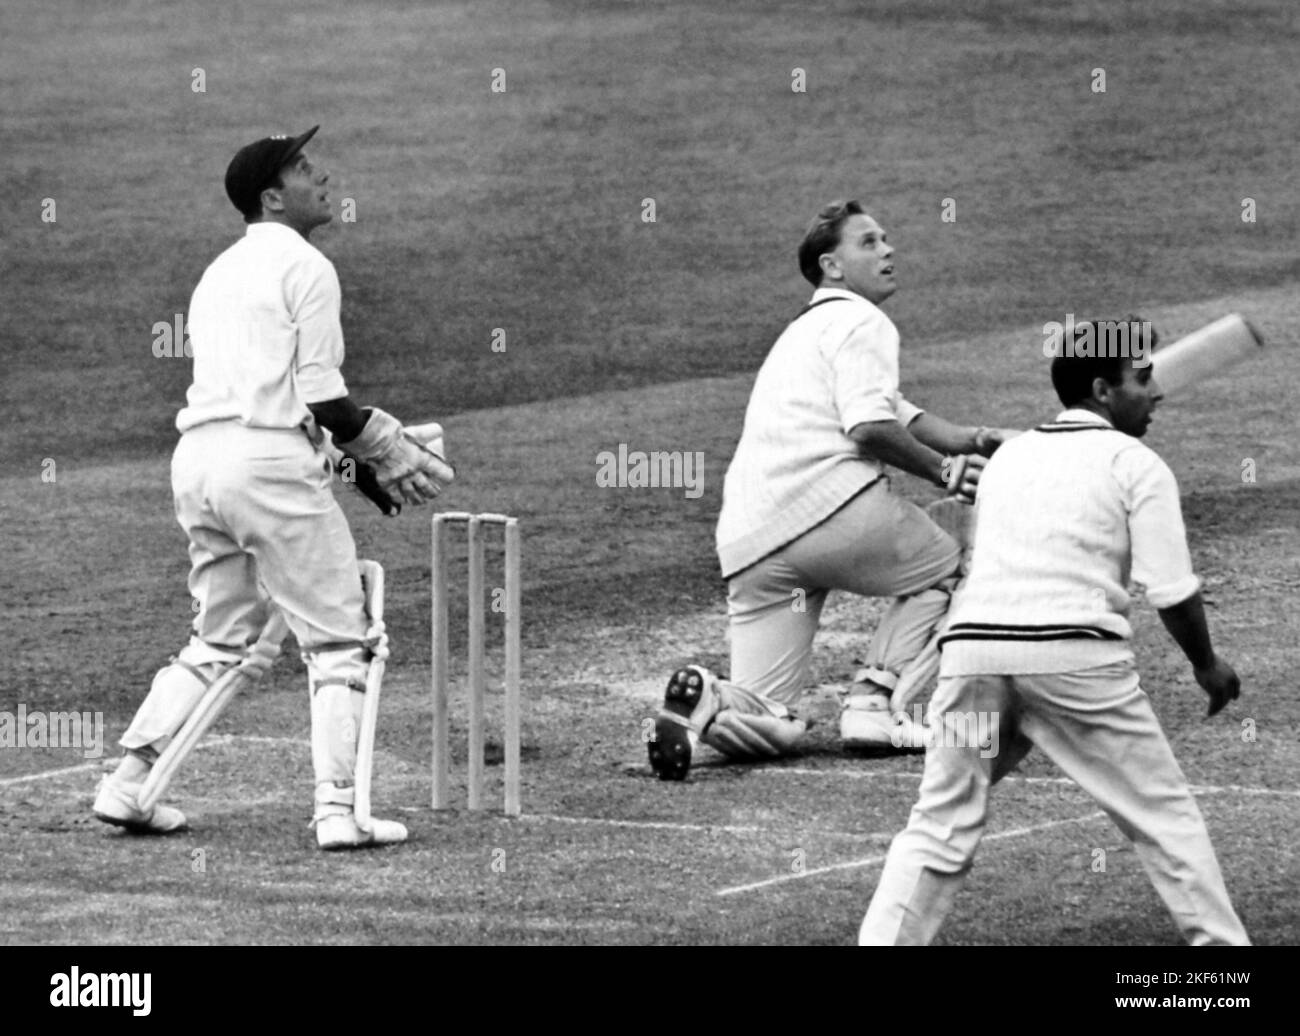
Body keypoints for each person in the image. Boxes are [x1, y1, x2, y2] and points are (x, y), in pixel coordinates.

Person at [92, 126, 451, 850]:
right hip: (265, 467)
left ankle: (129, 784)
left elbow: (283, 411)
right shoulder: (308, 267)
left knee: (220, 639)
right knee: (343, 636)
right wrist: (382, 447)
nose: (321, 175)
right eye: (302, 168)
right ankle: (338, 814)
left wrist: (356, 469)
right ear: (271, 196)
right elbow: (320, 401)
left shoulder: (217, 272)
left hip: (199, 464)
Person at [857, 322, 1250, 945]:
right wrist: (1207, 665)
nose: (1158, 392)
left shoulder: (1011, 456)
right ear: (1101, 389)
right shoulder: (1135, 463)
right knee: (1165, 820)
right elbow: (1172, 590)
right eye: (1142, 378)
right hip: (1075, 668)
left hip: (972, 664)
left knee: (939, 824)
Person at [649, 200, 1012, 781]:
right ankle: (875, 701)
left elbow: (903, 417)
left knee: (775, 716)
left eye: (886, 239)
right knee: (961, 564)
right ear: (832, 266)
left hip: (754, 545)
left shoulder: (801, 334)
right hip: (834, 515)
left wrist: (978, 439)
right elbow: (868, 427)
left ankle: (709, 699)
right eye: (868, 242)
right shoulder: (865, 322)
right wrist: (945, 473)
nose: (888, 250)